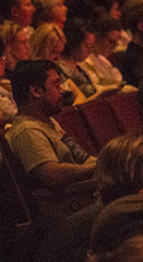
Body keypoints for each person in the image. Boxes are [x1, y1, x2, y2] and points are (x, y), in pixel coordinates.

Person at [5, 60, 96, 189]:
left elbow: (81, 158)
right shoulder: (28, 130)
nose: (62, 91)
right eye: (56, 84)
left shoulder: (47, 121)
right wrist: (98, 168)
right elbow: (53, 175)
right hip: (78, 196)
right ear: (36, 91)